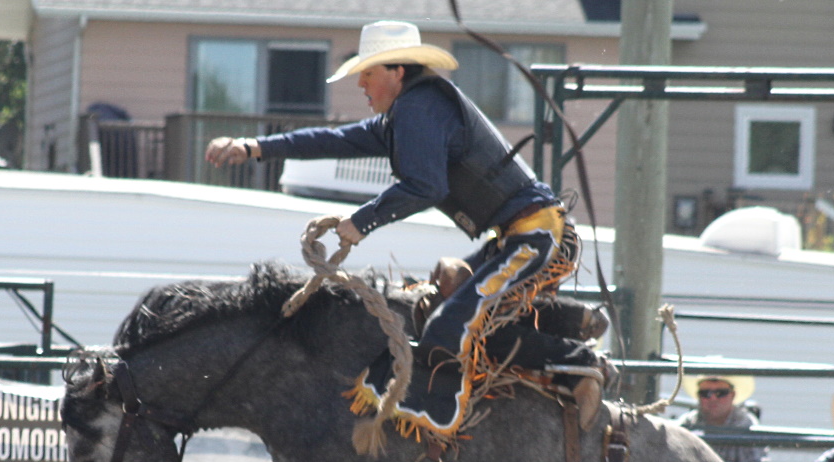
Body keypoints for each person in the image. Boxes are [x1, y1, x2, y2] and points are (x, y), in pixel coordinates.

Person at [204, 20, 605, 439]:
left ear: (398, 72)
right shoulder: (408, 113)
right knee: (436, 308)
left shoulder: (420, 108)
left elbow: (427, 187)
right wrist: (255, 147)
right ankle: (566, 324)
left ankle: (578, 362)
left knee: (448, 327)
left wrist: (362, 221)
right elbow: (334, 140)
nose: (361, 83)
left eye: (368, 72)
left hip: (536, 237)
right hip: (518, 237)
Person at [676, 374, 769, 462]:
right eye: (705, 393)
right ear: (698, 397)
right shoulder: (687, 423)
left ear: (733, 395)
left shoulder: (745, 424)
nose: (713, 398)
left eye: (721, 393)